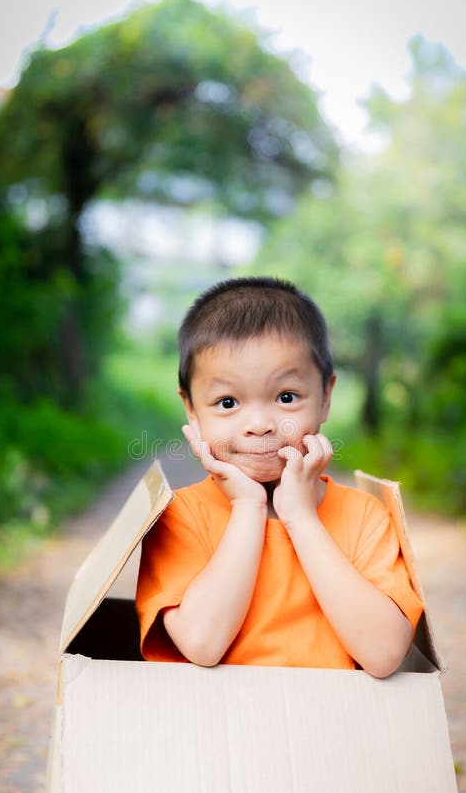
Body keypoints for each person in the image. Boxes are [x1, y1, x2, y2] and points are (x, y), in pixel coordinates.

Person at [135, 277, 423, 677]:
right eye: (227, 402)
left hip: (334, 729)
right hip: (215, 731)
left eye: (286, 397)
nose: (259, 425)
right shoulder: (178, 517)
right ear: (191, 409)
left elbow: (384, 653)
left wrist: (302, 518)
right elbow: (202, 643)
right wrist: (246, 506)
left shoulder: (363, 516)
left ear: (325, 396)